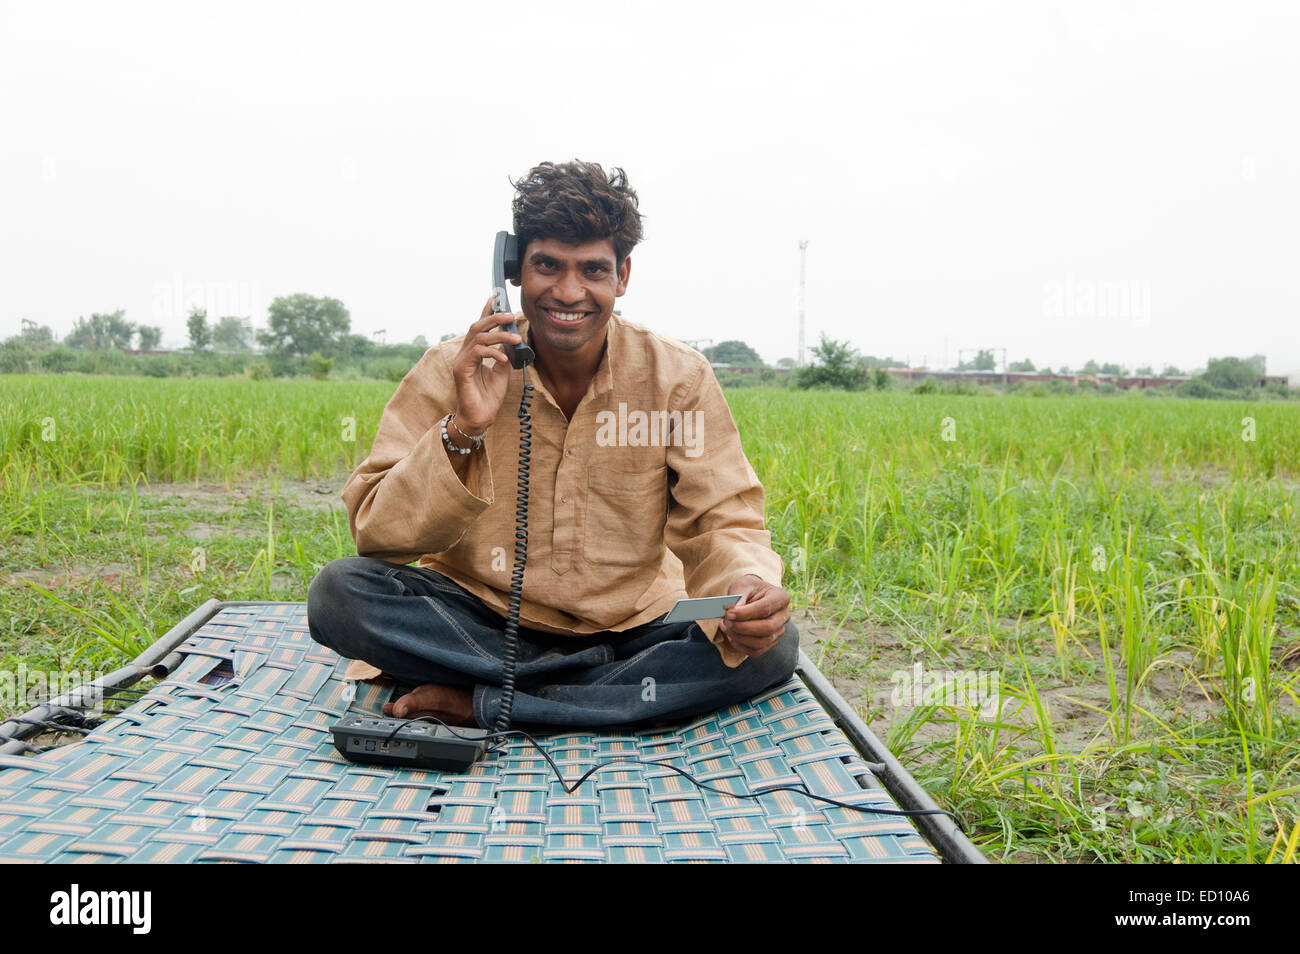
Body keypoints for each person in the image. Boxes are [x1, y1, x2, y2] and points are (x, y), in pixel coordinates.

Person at [307, 160, 797, 729]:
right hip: (481, 620)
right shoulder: (452, 368)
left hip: (631, 626)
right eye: (548, 266)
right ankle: (591, 692)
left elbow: (724, 518)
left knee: (773, 649)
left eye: (593, 270)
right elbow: (377, 533)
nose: (569, 292)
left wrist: (746, 585)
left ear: (622, 276)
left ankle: (488, 700)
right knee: (339, 596)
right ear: (514, 272)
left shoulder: (678, 379)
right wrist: (463, 429)